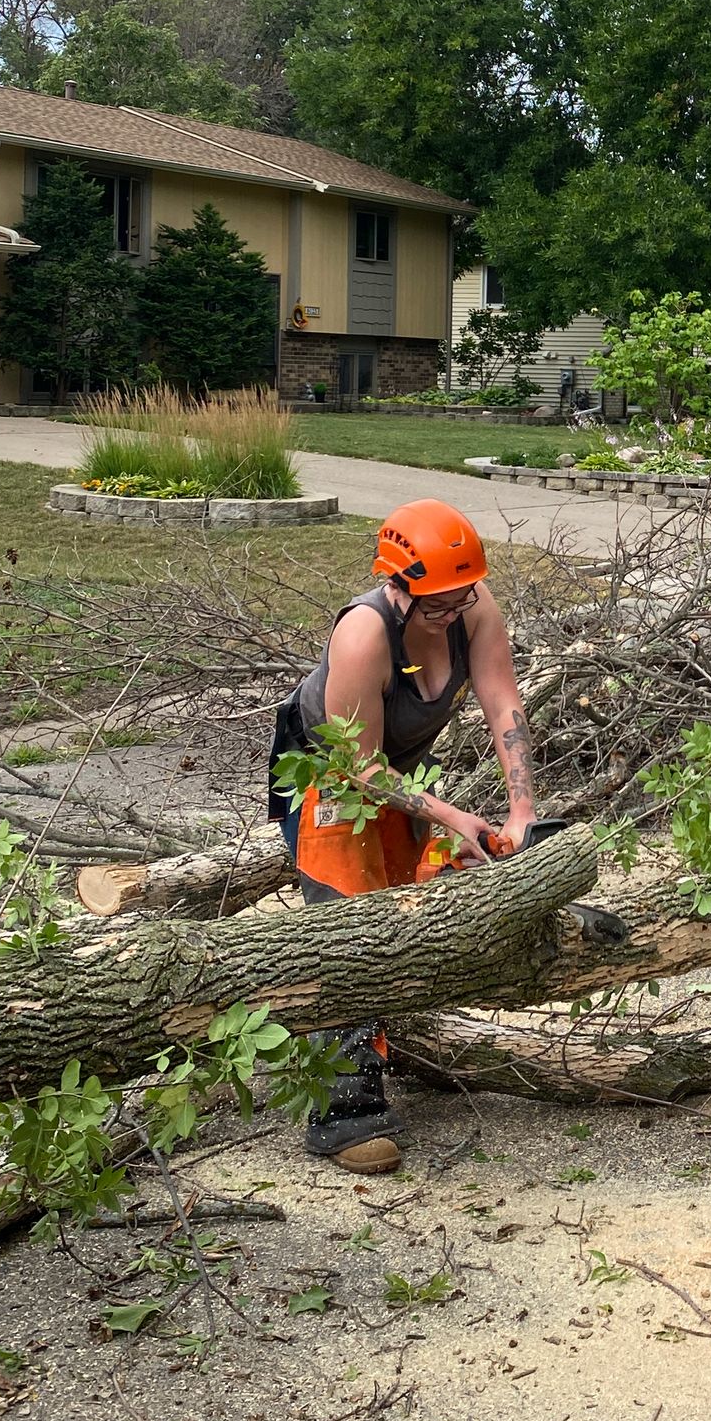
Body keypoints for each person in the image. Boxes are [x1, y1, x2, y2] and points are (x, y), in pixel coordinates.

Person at [270, 498, 538, 1174]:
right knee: (353, 917)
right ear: (398, 586)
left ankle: (405, 1023)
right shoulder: (363, 634)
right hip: (328, 774)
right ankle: (344, 1107)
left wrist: (521, 811)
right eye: (438, 604)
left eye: (462, 595)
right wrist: (449, 812)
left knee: (423, 891)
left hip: (402, 772)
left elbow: (503, 700)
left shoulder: (472, 606)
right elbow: (356, 765)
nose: (454, 612)